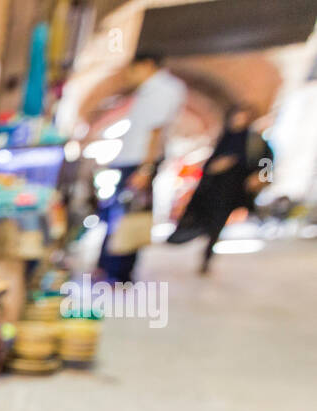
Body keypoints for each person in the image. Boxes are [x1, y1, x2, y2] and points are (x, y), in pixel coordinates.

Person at [96, 52, 187, 283]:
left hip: (139, 165)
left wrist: (145, 170)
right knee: (118, 216)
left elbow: (155, 131)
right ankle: (108, 267)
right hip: (133, 162)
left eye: (133, 69)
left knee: (128, 218)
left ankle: (119, 273)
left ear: (147, 65)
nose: (129, 76)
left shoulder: (163, 89)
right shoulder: (151, 90)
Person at [169, 105, 272, 273]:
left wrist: (259, 178)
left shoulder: (255, 142)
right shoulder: (225, 138)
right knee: (203, 218)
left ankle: (207, 254)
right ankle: (193, 236)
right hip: (213, 189)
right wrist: (217, 166)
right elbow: (209, 164)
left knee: (217, 223)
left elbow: (266, 164)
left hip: (233, 191)